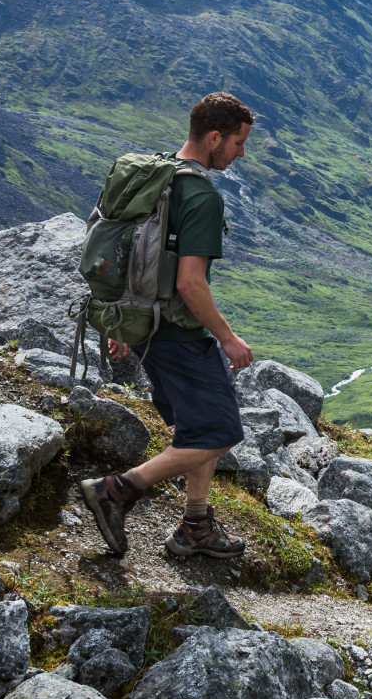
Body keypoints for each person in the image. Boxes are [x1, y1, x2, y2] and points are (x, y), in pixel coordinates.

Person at [78, 92, 258, 560]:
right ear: (215, 137)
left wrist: (124, 322)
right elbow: (190, 283)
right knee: (219, 432)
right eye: (238, 143)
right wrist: (228, 338)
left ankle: (195, 525)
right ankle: (116, 490)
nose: (241, 154)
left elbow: (127, 250)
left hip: (147, 327)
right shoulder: (198, 195)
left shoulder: (155, 174)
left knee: (198, 429)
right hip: (179, 335)